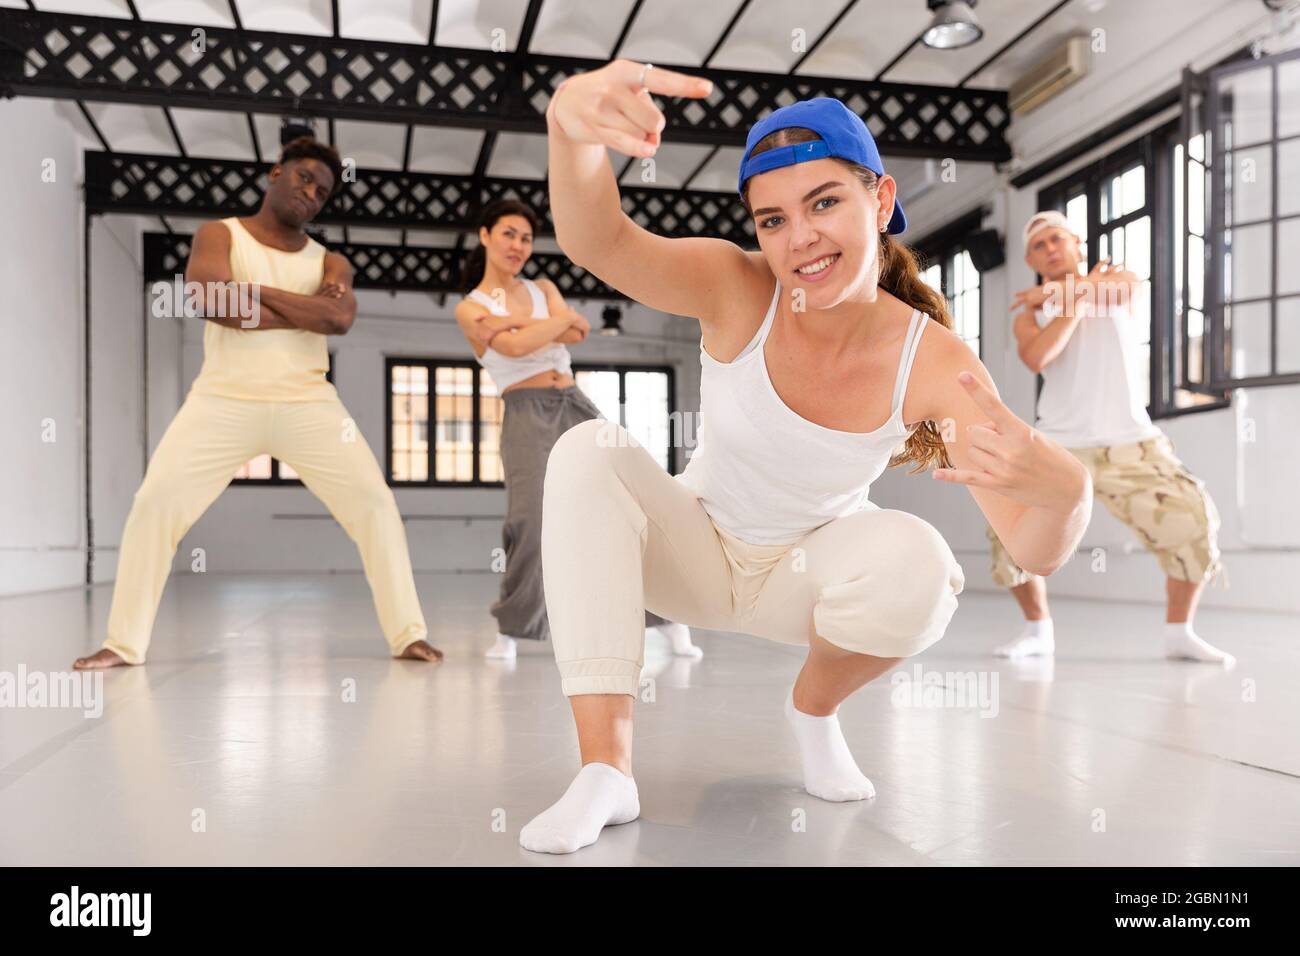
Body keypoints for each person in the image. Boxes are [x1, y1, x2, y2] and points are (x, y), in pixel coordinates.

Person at [517, 60, 1093, 853]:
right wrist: (568, 128)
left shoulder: (933, 361)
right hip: (694, 553)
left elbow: (1031, 549)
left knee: (922, 564)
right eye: (773, 219)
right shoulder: (736, 287)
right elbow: (599, 240)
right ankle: (607, 772)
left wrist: (1069, 493)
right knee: (588, 447)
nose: (801, 239)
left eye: (825, 202)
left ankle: (813, 712)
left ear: (881, 199)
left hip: (808, 582)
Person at [73, 137, 441, 669]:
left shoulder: (330, 260)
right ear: (276, 173)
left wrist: (257, 292)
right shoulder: (219, 233)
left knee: (375, 505)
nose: (312, 193)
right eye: (305, 178)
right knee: (155, 504)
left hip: (309, 402)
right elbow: (208, 299)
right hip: (223, 398)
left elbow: (337, 320)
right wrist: (304, 307)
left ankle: (408, 634)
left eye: (323, 191)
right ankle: (122, 642)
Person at [453, 199, 700, 660]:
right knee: (530, 518)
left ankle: (664, 618)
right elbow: (519, 346)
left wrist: (528, 323)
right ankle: (513, 629)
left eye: (525, 238)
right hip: (525, 409)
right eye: (508, 234)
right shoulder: (469, 307)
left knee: (629, 501)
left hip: (573, 402)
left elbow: (576, 332)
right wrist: (553, 321)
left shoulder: (542, 286)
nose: (517, 246)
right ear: (485, 236)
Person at [987, 210, 1231, 666]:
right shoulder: (1031, 312)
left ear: (1078, 244)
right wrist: (1073, 301)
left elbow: (1123, 286)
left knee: (1194, 519)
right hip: (1058, 441)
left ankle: (1180, 633)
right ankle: (1038, 631)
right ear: (1029, 258)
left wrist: (1063, 293)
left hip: (1129, 438)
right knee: (1007, 529)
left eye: (1057, 239)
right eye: (1039, 246)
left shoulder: (1115, 282)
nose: (1050, 249)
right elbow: (1040, 356)